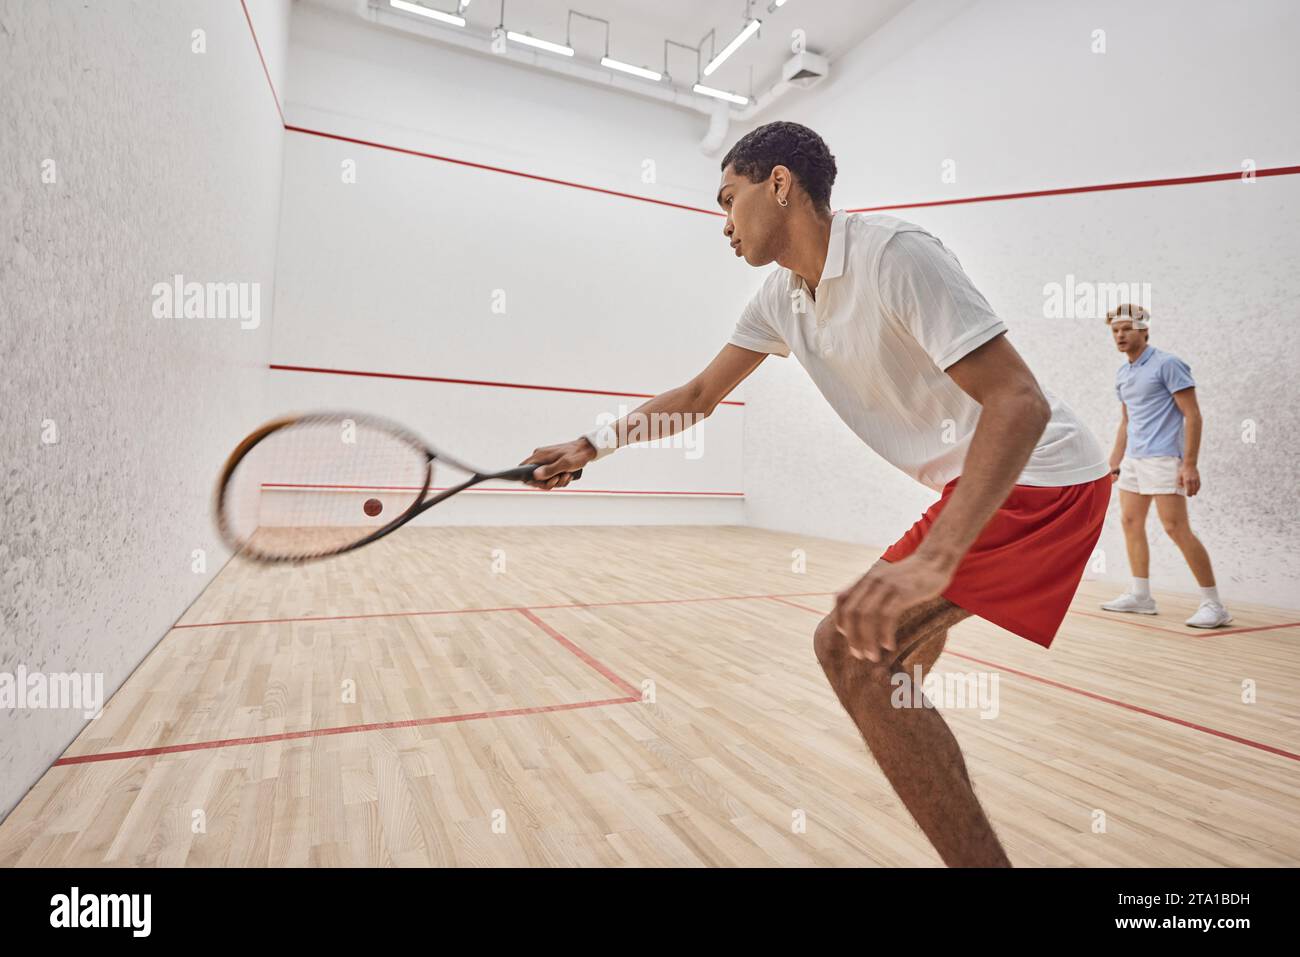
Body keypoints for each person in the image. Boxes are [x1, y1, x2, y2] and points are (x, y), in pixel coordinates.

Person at [520, 121, 1112, 867]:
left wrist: (937, 561)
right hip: (991, 482)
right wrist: (592, 444)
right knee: (885, 662)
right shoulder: (780, 299)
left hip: (1041, 476)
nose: (723, 224)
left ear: (779, 185)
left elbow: (1019, 403)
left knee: (849, 648)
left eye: (727, 199)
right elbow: (701, 393)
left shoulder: (896, 256)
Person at [1100, 304, 1232, 627]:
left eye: (1126, 329)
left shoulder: (1168, 365)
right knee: (1130, 522)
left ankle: (1214, 604)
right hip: (1134, 460)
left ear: (1144, 331)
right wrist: (1115, 462)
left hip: (1164, 459)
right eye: (1115, 330)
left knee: (1175, 528)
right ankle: (1141, 595)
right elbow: (1126, 421)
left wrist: (1189, 465)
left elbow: (1193, 415)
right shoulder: (1123, 373)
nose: (1120, 335)